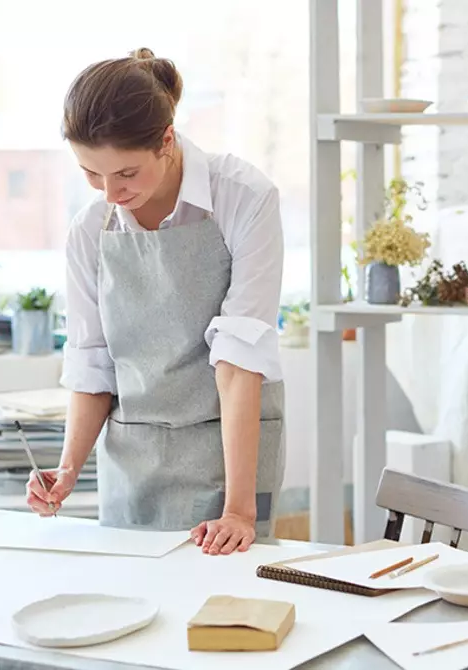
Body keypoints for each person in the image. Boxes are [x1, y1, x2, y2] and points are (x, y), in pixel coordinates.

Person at [26, 48, 286, 557]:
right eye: (91, 174)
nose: (109, 193)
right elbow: (93, 361)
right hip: (134, 460)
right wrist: (69, 468)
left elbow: (238, 362)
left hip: (226, 453)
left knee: (221, 610)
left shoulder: (244, 198)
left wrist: (238, 510)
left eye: (125, 173)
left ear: (166, 140)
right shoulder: (88, 231)